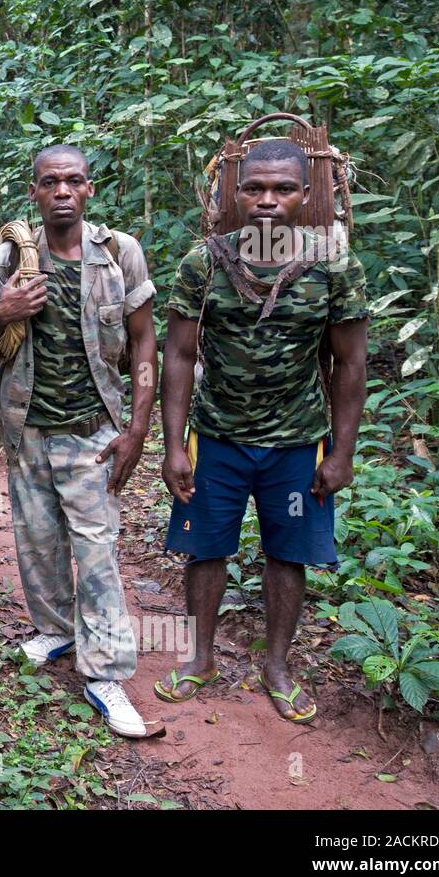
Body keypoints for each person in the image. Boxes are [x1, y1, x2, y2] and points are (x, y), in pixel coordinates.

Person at [157, 138, 369, 724]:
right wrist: (173, 446)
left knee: (288, 551)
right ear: (236, 191)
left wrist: (342, 452)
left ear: (305, 193)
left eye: (282, 189)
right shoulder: (204, 262)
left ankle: (276, 664)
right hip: (216, 437)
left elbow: (351, 362)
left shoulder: (333, 264)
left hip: (298, 441)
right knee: (204, 548)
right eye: (254, 187)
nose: (267, 200)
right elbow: (178, 354)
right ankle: (200, 658)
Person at [0, 144, 160, 739]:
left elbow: (146, 343)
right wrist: (3, 310)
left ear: (90, 189)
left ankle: (105, 673)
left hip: (93, 435)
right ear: (34, 192)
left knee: (96, 554)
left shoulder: (119, 253)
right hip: (27, 430)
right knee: (37, 540)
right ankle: (55, 629)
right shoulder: (8, 257)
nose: (62, 192)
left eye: (73, 181)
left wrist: (137, 430)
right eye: (50, 182)